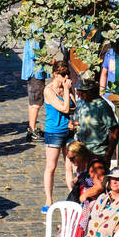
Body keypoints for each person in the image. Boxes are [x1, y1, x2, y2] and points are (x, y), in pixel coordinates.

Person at [42, 61, 75, 209]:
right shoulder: (48, 91)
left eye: (67, 74)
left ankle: (73, 195)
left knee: (70, 166)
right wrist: (67, 91)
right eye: (63, 74)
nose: (66, 77)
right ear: (56, 74)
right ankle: (49, 200)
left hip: (68, 131)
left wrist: (68, 90)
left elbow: (74, 106)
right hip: (54, 132)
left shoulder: (67, 87)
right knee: (51, 167)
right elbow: (65, 108)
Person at [73, 77, 118, 161]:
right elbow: (79, 121)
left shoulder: (102, 106)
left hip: (97, 153)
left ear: (89, 91)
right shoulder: (81, 102)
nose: (78, 94)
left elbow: (115, 130)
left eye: (81, 91)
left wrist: (108, 154)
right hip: (81, 151)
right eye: (77, 90)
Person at [21, 35, 47, 142]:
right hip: (36, 73)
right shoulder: (37, 29)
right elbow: (34, 54)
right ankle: (32, 131)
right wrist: (49, 60)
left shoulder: (32, 28)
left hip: (32, 71)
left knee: (32, 102)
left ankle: (32, 129)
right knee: (36, 103)